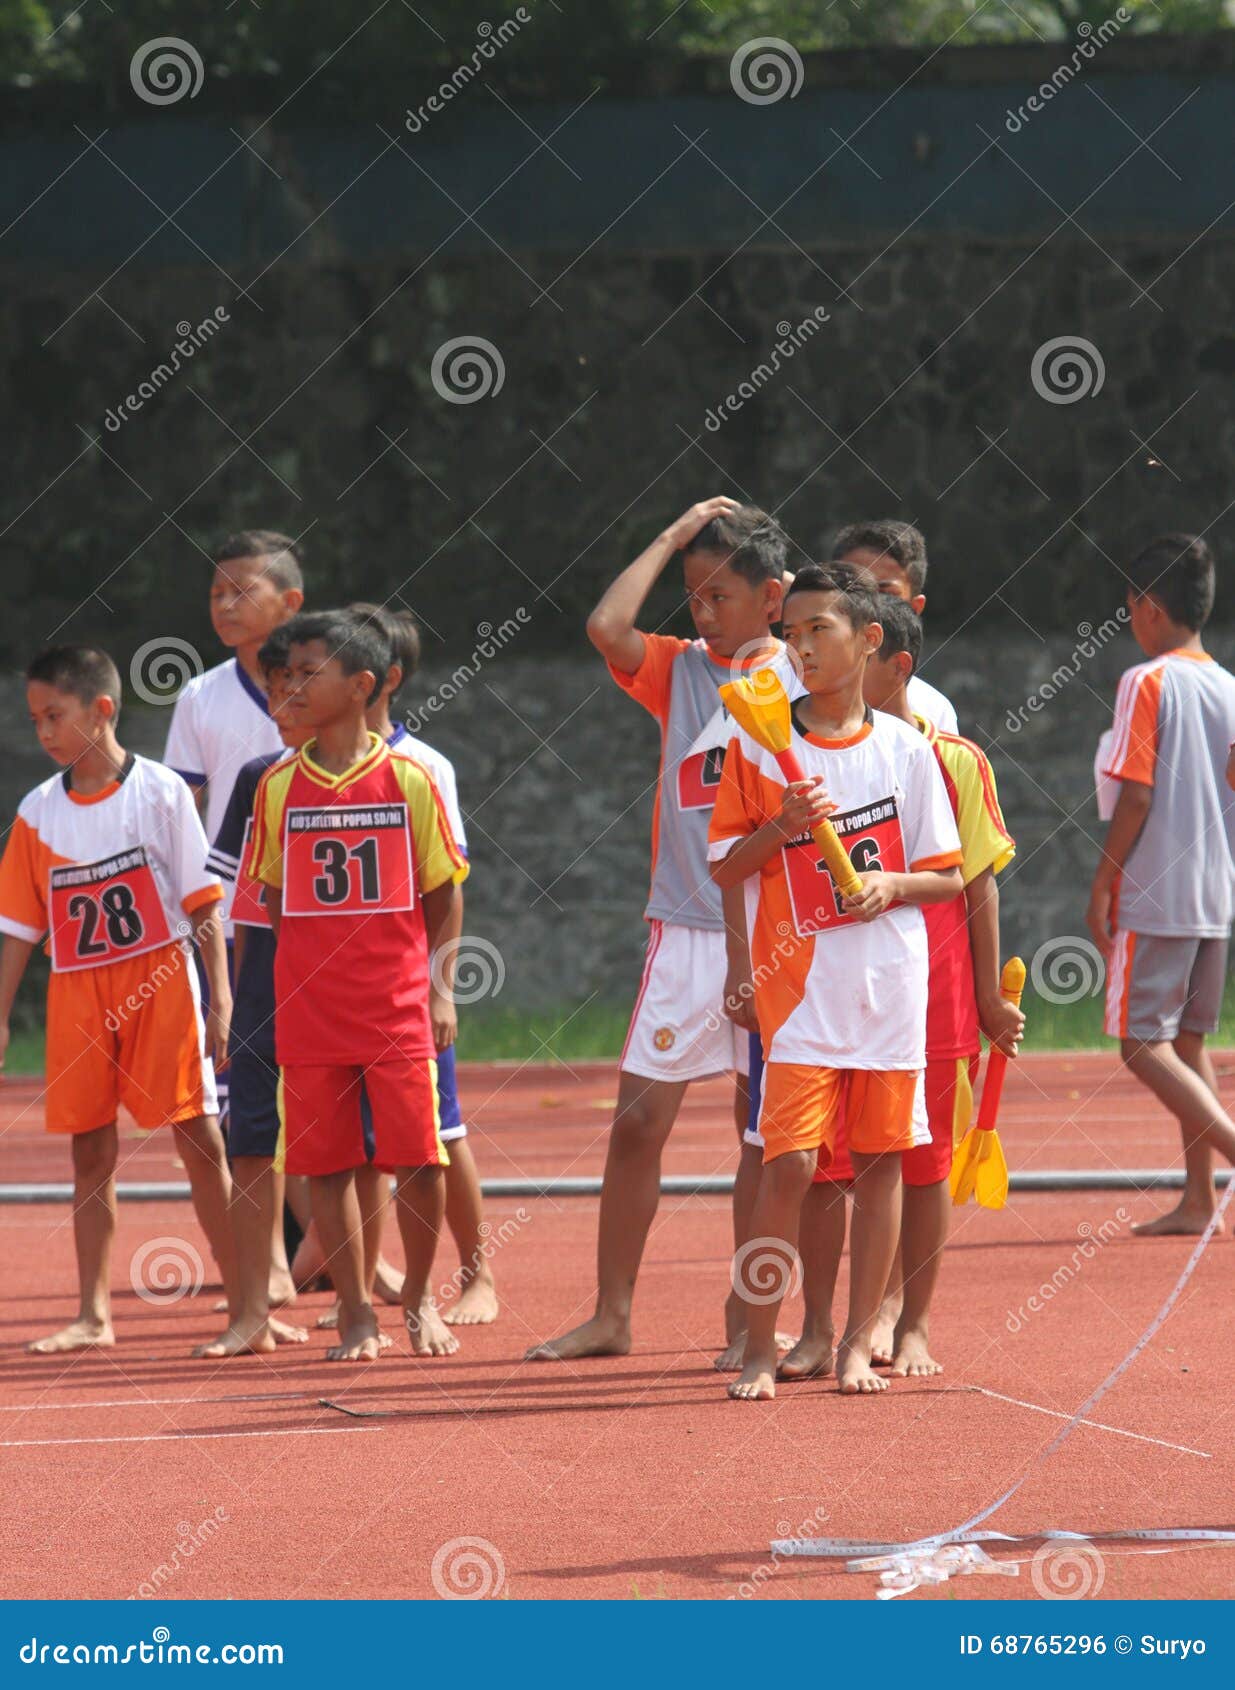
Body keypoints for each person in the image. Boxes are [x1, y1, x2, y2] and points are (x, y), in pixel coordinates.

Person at [526, 498, 799, 1363]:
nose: (702, 610)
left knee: (761, 1136)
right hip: (684, 929)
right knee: (638, 1123)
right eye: (693, 592)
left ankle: (743, 1314)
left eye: (721, 595)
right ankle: (611, 1314)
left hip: (778, 931)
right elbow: (607, 623)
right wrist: (671, 535)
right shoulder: (679, 669)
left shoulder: (805, 675)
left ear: (775, 598)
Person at [708, 565, 963, 1399]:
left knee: (881, 1163)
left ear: (869, 642)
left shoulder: (906, 749)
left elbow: (945, 876)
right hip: (802, 996)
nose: (802, 647)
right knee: (787, 1169)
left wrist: (889, 886)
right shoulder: (755, 743)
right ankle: (756, 1345)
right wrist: (782, 825)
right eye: (793, 633)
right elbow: (723, 867)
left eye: (820, 629)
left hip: (887, 987)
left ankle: (860, 1340)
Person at [778, 599, 1021, 1384]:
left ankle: (908, 1322)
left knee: (921, 1164)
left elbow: (974, 881)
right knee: (826, 1166)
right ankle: (822, 1326)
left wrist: (986, 995)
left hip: (932, 993)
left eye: (835, 638)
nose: (812, 654)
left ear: (891, 660)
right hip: (827, 992)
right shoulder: (797, 748)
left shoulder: (947, 757)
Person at [0, 646, 234, 1353]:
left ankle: (247, 1299)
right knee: (89, 1153)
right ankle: (94, 1314)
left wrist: (218, 998)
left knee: (198, 1137)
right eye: (35, 718)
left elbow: (203, 906)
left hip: (159, 982)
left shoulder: (161, 792)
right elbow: (17, 927)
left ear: (101, 710)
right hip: (78, 995)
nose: (43, 732)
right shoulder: (37, 812)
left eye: (54, 716)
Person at [248, 611, 467, 1361]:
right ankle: (354, 1312)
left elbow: (443, 893)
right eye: (286, 675)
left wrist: (441, 991)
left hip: (397, 1004)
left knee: (417, 1155)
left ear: (361, 684)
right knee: (323, 1163)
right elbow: (273, 897)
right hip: (310, 1012)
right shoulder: (276, 784)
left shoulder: (410, 777)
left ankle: (419, 1300)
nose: (291, 687)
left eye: (310, 673)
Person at [347, 602, 498, 1327]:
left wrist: (442, 991)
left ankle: (476, 1274)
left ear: (380, 679)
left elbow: (446, 889)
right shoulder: (308, 768)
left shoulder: (422, 766)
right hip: (340, 993)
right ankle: (373, 1278)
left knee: (441, 1132)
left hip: (405, 989)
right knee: (360, 1142)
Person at [1087, 535, 1235, 1237]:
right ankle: (1199, 1199)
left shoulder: (1146, 682)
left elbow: (1136, 795)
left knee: (1138, 1042)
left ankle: (1227, 1161)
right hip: (1214, 894)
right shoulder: (1228, 687)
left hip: (1157, 887)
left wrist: (1102, 881)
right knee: (1188, 1042)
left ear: (1145, 607)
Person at [195, 626, 309, 1357]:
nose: (281, 700)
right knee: (250, 1145)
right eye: (271, 687)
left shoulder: (395, 776)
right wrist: (231, 1000)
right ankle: (250, 1312)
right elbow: (234, 900)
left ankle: (369, 1303)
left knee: (355, 1151)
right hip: (265, 991)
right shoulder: (259, 780)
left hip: (351, 996)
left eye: (298, 683)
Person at [829, 520, 958, 733]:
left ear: (915, 609)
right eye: (852, 591)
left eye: (884, 594)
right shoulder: (782, 691)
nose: (866, 607)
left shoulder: (934, 711)